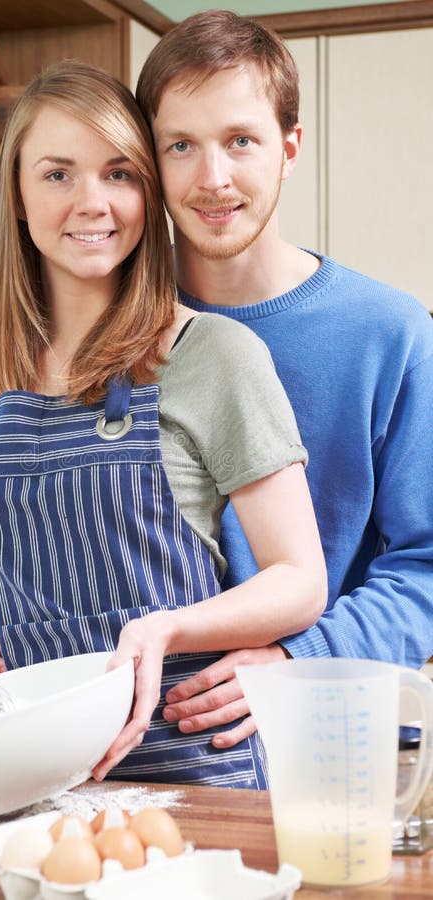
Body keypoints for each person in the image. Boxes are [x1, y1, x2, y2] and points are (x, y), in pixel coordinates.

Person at [0, 61, 326, 788]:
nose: (92, 202)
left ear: (147, 193)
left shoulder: (212, 355)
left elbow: (300, 578)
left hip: (195, 763)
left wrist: (168, 627)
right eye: (58, 174)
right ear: (20, 197)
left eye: (119, 173)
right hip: (31, 777)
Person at [131, 10, 433, 749]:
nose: (213, 178)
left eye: (241, 140)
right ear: (150, 160)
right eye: (181, 145)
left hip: (333, 735)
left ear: (288, 148)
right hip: (142, 736)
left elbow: (426, 564)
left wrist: (299, 660)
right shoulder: (112, 335)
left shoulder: (393, 333)